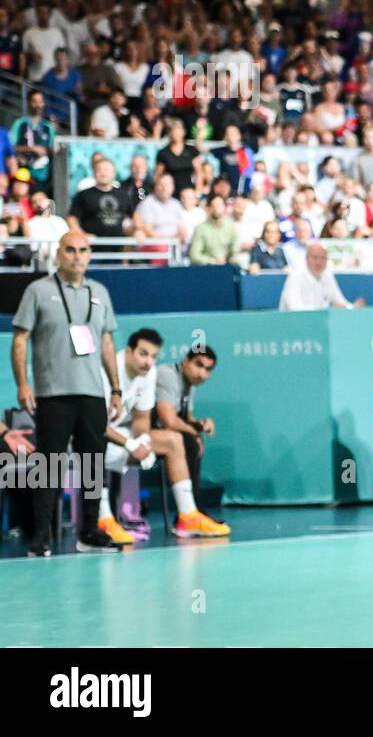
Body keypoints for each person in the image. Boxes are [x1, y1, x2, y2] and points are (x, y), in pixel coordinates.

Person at [10, 231, 124, 555]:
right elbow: (20, 340)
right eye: (70, 250)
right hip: (53, 394)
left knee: (92, 464)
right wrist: (23, 384)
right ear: (58, 254)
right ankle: (41, 536)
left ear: (90, 255)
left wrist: (115, 388)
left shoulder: (99, 292)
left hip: (92, 394)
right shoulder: (38, 290)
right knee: (50, 465)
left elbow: (105, 343)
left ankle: (89, 532)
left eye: (83, 250)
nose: (77, 256)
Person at [97, 328, 228, 542]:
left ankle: (188, 517)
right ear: (129, 351)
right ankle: (103, 521)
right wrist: (131, 445)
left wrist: (143, 442)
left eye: (153, 356)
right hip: (90, 439)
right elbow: (95, 425)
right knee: (90, 447)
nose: (149, 362)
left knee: (173, 440)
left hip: (121, 437)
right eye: (143, 354)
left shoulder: (149, 374)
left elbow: (141, 419)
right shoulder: (108, 372)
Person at [153, 346, 231, 531]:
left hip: (160, 434)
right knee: (189, 440)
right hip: (136, 432)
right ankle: (188, 514)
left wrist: (201, 424)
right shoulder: (167, 375)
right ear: (186, 360)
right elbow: (169, 420)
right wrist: (194, 432)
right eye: (199, 365)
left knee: (192, 441)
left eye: (208, 370)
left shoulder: (190, 384)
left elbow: (185, 418)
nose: (202, 374)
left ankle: (191, 512)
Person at [280, 243, 366, 310]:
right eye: (315, 257)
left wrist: (353, 307)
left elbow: (339, 302)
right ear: (306, 258)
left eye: (323, 258)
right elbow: (294, 308)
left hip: (318, 324)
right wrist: (323, 311)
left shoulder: (327, 276)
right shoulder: (295, 277)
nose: (319, 262)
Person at [188, 195, 241, 266]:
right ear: (209, 209)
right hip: (206, 269)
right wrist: (213, 261)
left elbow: (235, 252)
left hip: (226, 267)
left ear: (225, 208)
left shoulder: (231, 227)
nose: (217, 209)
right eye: (214, 206)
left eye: (219, 205)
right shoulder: (201, 228)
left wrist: (231, 260)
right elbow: (194, 256)